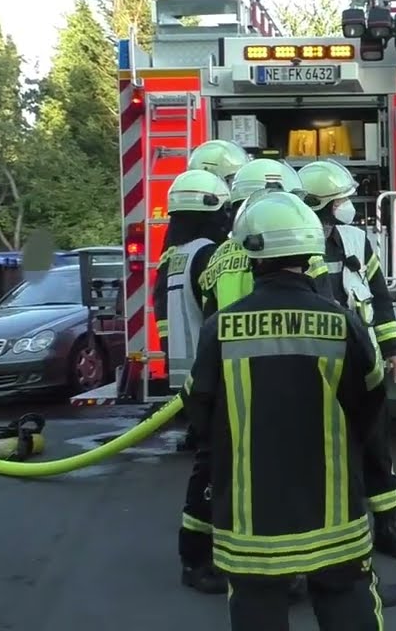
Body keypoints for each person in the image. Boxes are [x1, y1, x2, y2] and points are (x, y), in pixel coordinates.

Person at [197, 159, 396, 609]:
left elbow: (201, 409)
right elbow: (369, 402)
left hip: (249, 524)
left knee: (257, 609)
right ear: (309, 244)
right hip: (336, 514)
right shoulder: (339, 321)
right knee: (347, 604)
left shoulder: (218, 328)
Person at [299, 160, 396, 563]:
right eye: (342, 200)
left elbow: (378, 295)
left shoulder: (355, 239)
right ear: (323, 204)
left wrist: (392, 349)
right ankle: (331, 541)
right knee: (324, 456)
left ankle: (388, 527)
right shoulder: (297, 243)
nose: (348, 205)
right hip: (316, 369)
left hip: (362, 365)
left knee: (375, 449)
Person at [151, 169, 233, 594]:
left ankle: (198, 555)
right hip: (214, 379)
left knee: (208, 468)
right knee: (214, 472)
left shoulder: (175, 255)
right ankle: (199, 560)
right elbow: (223, 319)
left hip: (189, 379)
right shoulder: (208, 255)